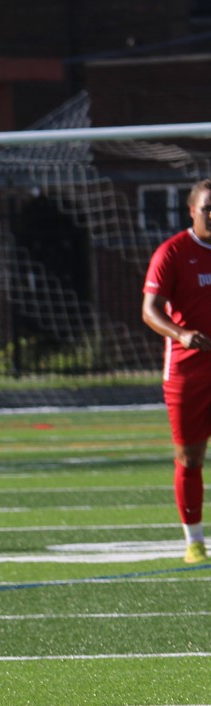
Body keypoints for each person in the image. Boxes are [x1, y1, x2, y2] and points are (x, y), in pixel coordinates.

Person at [140, 178, 211, 565]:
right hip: (187, 372)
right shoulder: (172, 252)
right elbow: (149, 311)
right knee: (190, 456)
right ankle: (195, 542)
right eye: (208, 210)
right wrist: (181, 334)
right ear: (191, 211)